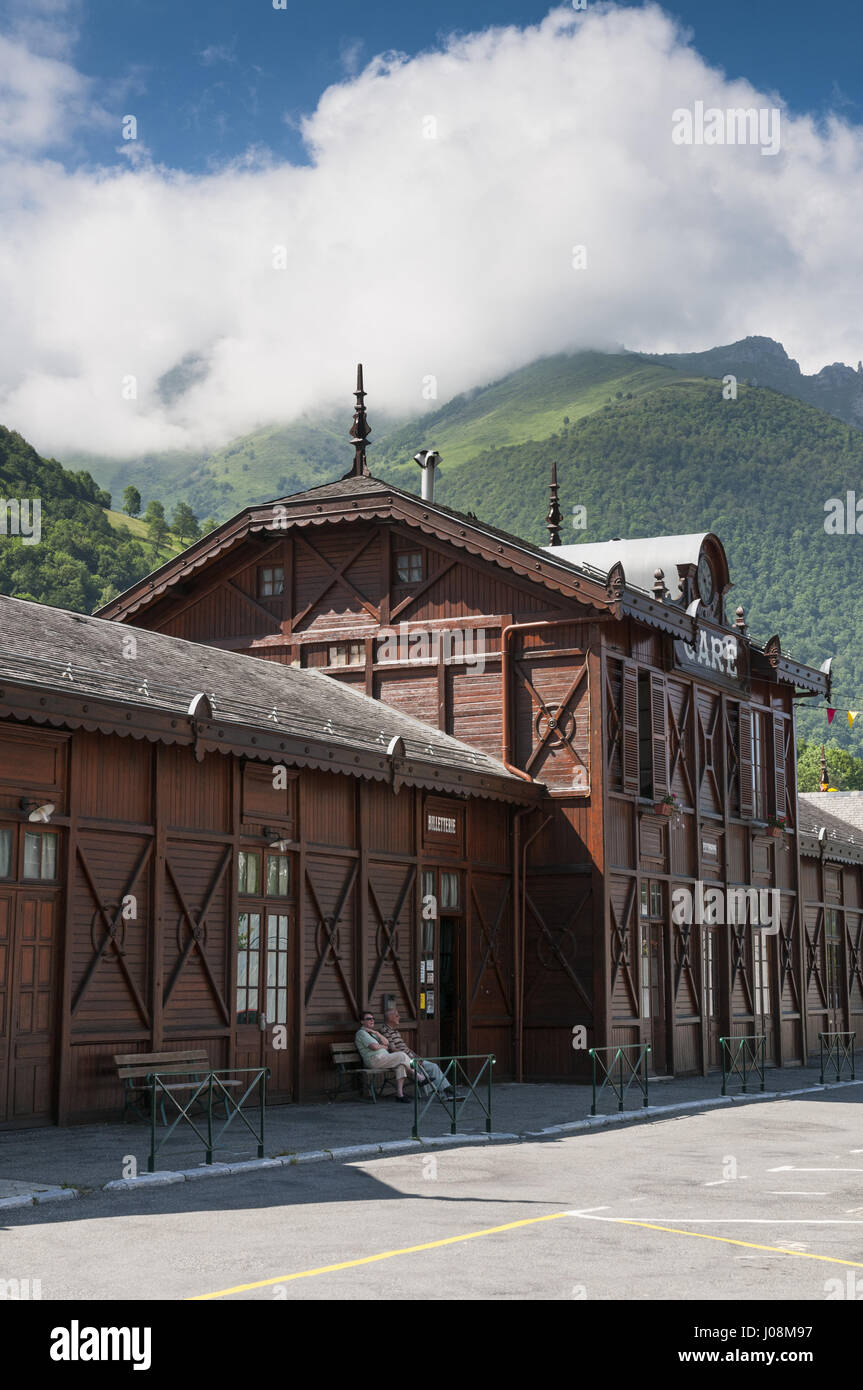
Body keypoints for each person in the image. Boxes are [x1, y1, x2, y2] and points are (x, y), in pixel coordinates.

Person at [379, 1007, 461, 1099]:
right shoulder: (385, 1030)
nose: (399, 1017)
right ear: (390, 1018)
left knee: (433, 1066)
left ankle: (447, 1089)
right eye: (397, 1015)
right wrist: (411, 1059)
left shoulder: (395, 1031)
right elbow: (392, 1049)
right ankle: (439, 1093)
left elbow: (405, 1047)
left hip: (410, 1057)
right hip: (401, 1060)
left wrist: (416, 1055)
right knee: (420, 1069)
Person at [354, 1011, 413, 1102]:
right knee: (401, 1055)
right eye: (368, 1019)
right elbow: (374, 1047)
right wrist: (383, 1047)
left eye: (373, 1018)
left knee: (401, 1065)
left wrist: (377, 1033)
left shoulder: (372, 1033)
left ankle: (400, 1095)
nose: (372, 1020)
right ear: (362, 1022)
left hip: (383, 1059)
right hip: (374, 1060)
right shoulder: (361, 1033)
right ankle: (418, 1075)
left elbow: (387, 1043)